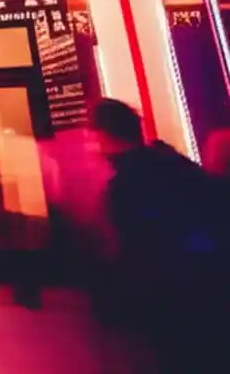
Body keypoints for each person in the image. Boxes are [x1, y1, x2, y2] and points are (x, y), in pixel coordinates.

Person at [92, 99, 230, 373]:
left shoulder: (129, 182)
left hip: (174, 294)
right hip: (205, 285)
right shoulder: (172, 163)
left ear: (103, 134)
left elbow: (138, 245)